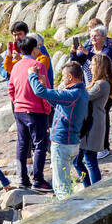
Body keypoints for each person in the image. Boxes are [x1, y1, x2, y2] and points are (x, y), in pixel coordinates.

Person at [28, 61, 89, 200]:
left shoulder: (72, 94)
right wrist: (45, 86)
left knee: (61, 187)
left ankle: (68, 216)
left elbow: (39, 92)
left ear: (70, 77)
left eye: (63, 77)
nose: (62, 79)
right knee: (64, 183)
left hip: (62, 145)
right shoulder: (80, 93)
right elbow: (56, 102)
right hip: (71, 143)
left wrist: (32, 75)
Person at [7, 36, 52, 191]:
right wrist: (47, 109)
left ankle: (22, 178)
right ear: (34, 49)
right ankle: (38, 179)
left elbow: (11, 89)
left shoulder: (16, 66)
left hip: (19, 109)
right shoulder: (38, 65)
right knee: (40, 144)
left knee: (22, 143)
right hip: (36, 110)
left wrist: (17, 102)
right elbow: (44, 89)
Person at [78, 53, 112, 186]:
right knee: (78, 162)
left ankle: (96, 189)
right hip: (89, 125)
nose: (91, 67)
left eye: (93, 65)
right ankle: (88, 187)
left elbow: (84, 97)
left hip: (92, 126)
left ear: (99, 67)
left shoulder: (102, 84)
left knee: (90, 161)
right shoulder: (98, 83)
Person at [1, 21, 53, 86]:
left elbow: (38, 70)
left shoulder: (40, 51)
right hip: (19, 87)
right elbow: (5, 68)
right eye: (15, 35)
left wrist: (20, 60)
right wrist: (11, 73)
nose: (17, 38)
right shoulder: (11, 50)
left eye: (19, 34)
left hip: (39, 89)